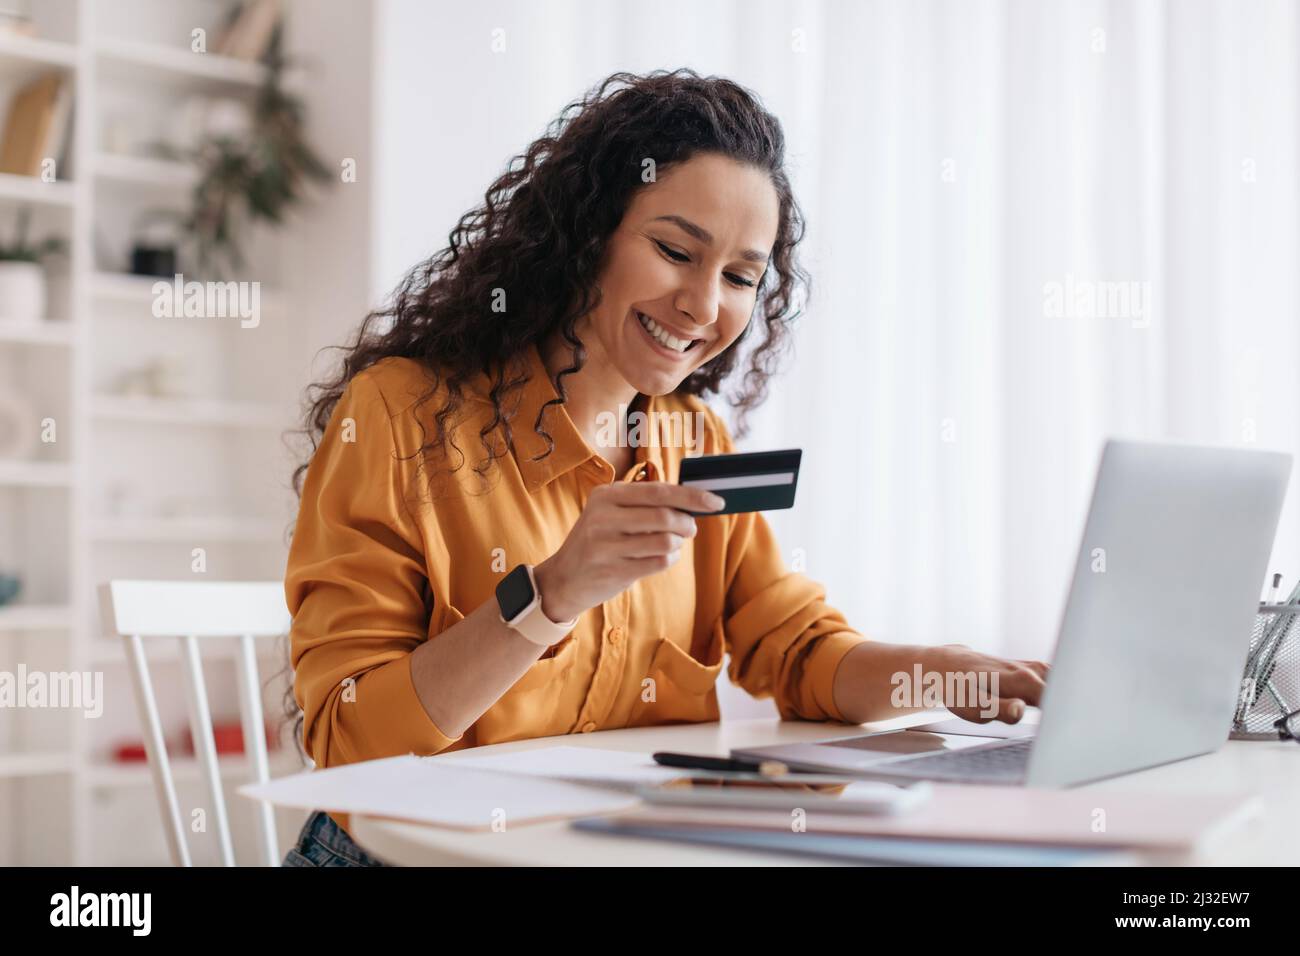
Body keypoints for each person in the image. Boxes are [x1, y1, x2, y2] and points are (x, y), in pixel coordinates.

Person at [280, 69, 1047, 867]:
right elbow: (348, 739)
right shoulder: (400, 416)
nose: (704, 305)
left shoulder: (697, 440)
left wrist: (940, 674)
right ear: (585, 236)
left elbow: (799, 653)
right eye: (676, 250)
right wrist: (548, 598)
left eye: (742, 278)